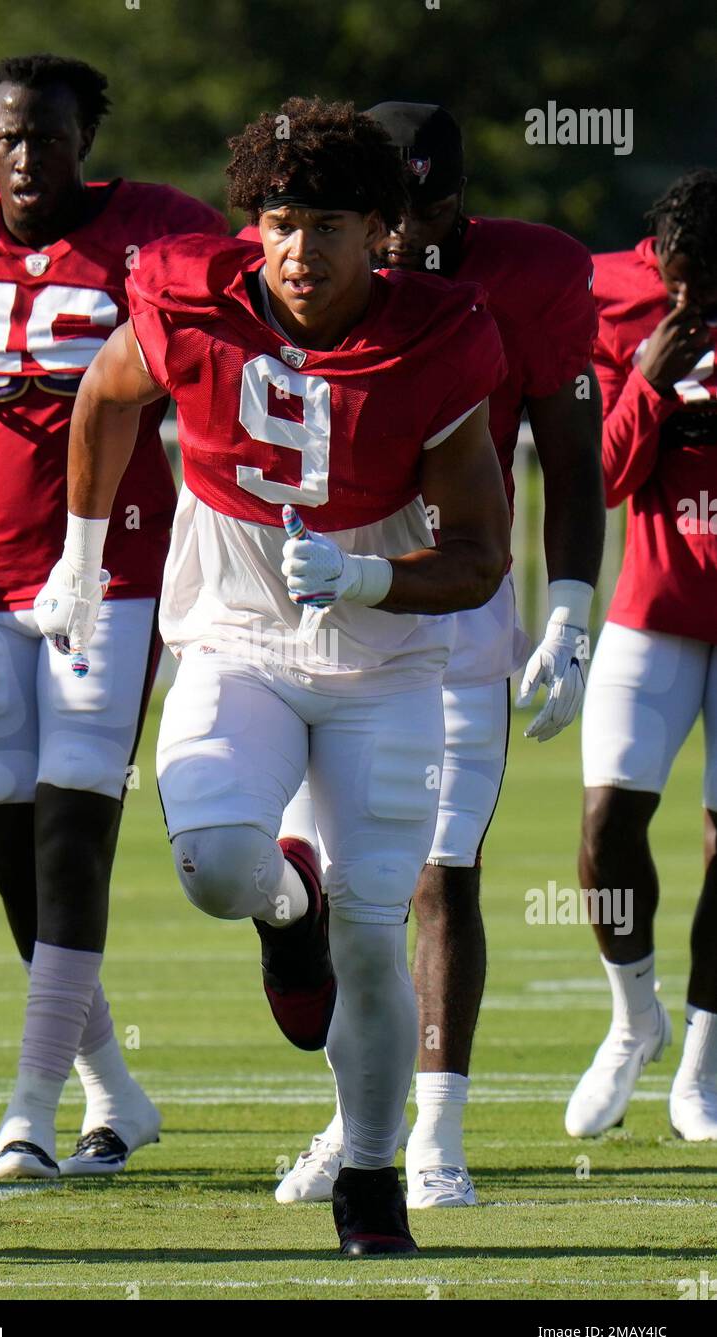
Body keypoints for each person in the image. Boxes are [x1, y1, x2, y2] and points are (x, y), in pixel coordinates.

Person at [33, 95, 510, 1256]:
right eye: (283, 223)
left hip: (382, 663)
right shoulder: (193, 297)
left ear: (380, 230)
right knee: (214, 866)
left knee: (371, 931)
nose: (301, 251)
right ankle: (276, 911)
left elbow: (481, 554)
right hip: (235, 635)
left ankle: (369, 1171)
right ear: (255, 226)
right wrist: (82, 562)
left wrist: (365, 579)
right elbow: (103, 398)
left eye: (331, 226)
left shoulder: (436, 337)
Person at [0, 52, 226, 1180]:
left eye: (51, 135)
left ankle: (27, 1103)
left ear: (88, 138)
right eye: (9, 136)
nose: (28, 158)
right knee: (11, 843)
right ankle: (111, 1089)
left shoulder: (155, 238)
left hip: (111, 574)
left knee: (76, 829)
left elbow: (214, 390)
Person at [276, 102, 604, 1208]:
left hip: (457, 622)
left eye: (430, 210)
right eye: (391, 215)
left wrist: (566, 611)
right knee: (336, 897)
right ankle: (350, 1119)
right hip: (323, 629)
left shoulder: (525, 278)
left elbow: (567, 448)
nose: (408, 239)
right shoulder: (295, 271)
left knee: (437, 876)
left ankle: (435, 1135)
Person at [566, 169, 717, 1142]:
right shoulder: (616, 299)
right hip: (651, 606)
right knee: (603, 832)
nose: (684, 301)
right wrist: (651, 388)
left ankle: (701, 1063)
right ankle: (633, 1020)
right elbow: (604, 477)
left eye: (702, 287)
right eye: (674, 279)